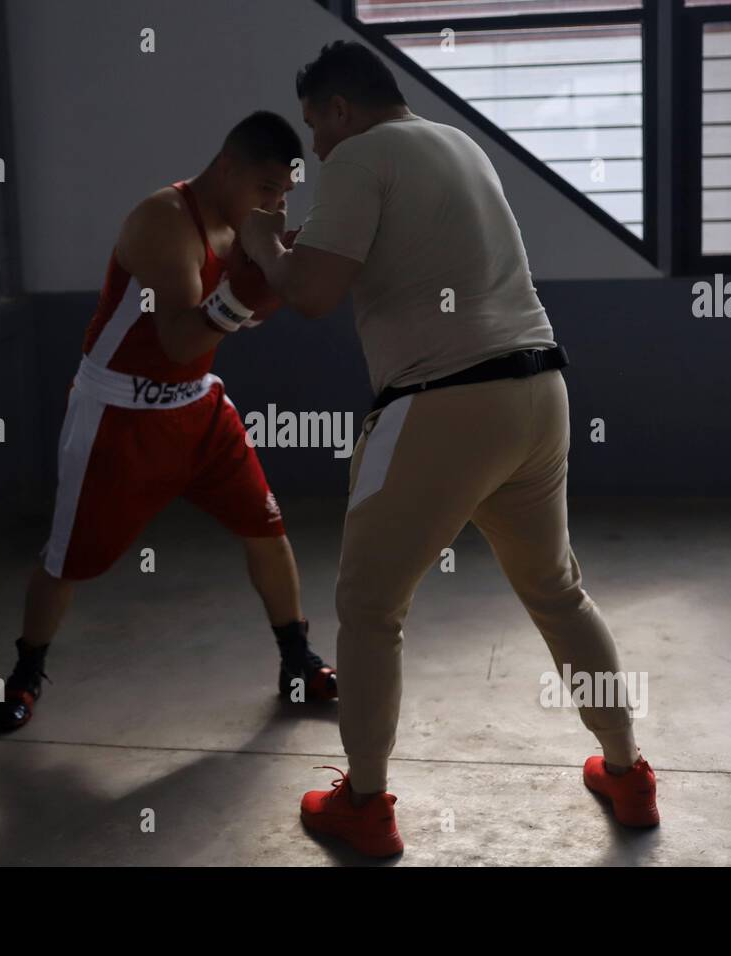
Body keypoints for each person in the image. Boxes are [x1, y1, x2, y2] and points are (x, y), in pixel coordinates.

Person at [240, 42, 658, 858]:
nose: (314, 151)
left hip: (443, 404)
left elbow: (315, 295)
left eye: (315, 129)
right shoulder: (457, 143)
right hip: (539, 390)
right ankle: (628, 773)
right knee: (558, 593)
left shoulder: (359, 155)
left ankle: (363, 804)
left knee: (368, 610)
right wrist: (302, 250)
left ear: (339, 109)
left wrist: (263, 247)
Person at [0, 111, 336, 734]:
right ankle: (24, 672)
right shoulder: (163, 222)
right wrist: (254, 288)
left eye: (284, 194)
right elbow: (180, 338)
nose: (273, 205)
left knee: (267, 526)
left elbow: (227, 328)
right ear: (227, 167)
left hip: (198, 406)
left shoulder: (239, 230)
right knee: (69, 558)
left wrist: (275, 279)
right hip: (117, 414)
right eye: (265, 189)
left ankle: (296, 660)